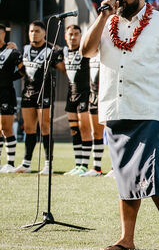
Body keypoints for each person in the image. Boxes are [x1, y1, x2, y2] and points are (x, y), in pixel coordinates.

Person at [81, 0, 159, 250]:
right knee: (125, 177)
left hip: (150, 110)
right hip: (116, 109)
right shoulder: (107, 22)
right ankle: (126, 238)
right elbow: (86, 50)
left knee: (157, 173)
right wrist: (102, 16)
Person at [15, 21, 65, 174]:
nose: (33, 34)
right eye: (31, 31)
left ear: (44, 33)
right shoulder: (25, 49)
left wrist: (60, 54)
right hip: (28, 93)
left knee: (44, 127)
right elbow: (22, 71)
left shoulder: (51, 50)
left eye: (37, 31)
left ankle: (48, 164)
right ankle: (26, 163)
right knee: (29, 128)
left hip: (45, 93)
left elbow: (63, 69)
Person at [62, 25, 93, 176]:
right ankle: (77, 164)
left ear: (81, 36)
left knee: (84, 129)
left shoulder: (85, 52)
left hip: (84, 94)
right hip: (70, 95)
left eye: (76, 34)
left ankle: (84, 165)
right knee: (74, 131)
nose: (73, 37)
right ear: (65, 36)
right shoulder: (62, 52)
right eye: (70, 34)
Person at [0, 24, 22, 173]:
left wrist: (8, 79)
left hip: (6, 93)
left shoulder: (12, 51)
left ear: (4, 34)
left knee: (6, 128)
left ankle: (10, 163)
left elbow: (23, 71)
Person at [81, 52, 105, 176]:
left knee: (112, 134)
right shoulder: (91, 52)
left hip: (106, 96)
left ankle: (115, 168)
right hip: (93, 97)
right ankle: (97, 168)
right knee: (96, 133)